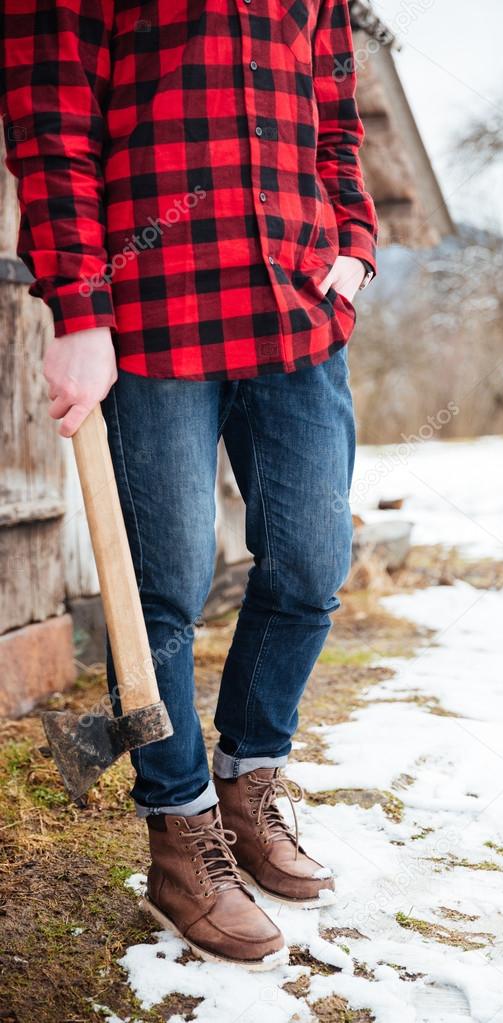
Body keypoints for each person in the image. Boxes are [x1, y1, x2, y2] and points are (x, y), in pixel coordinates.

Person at [1, 0, 377, 969]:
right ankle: (181, 834)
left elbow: (336, 107)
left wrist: (355, 243)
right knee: (162, 587)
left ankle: (249, 779)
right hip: (158, 310)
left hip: (298, 310)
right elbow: (50, 111)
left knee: (309, 562)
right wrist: (78, 309)